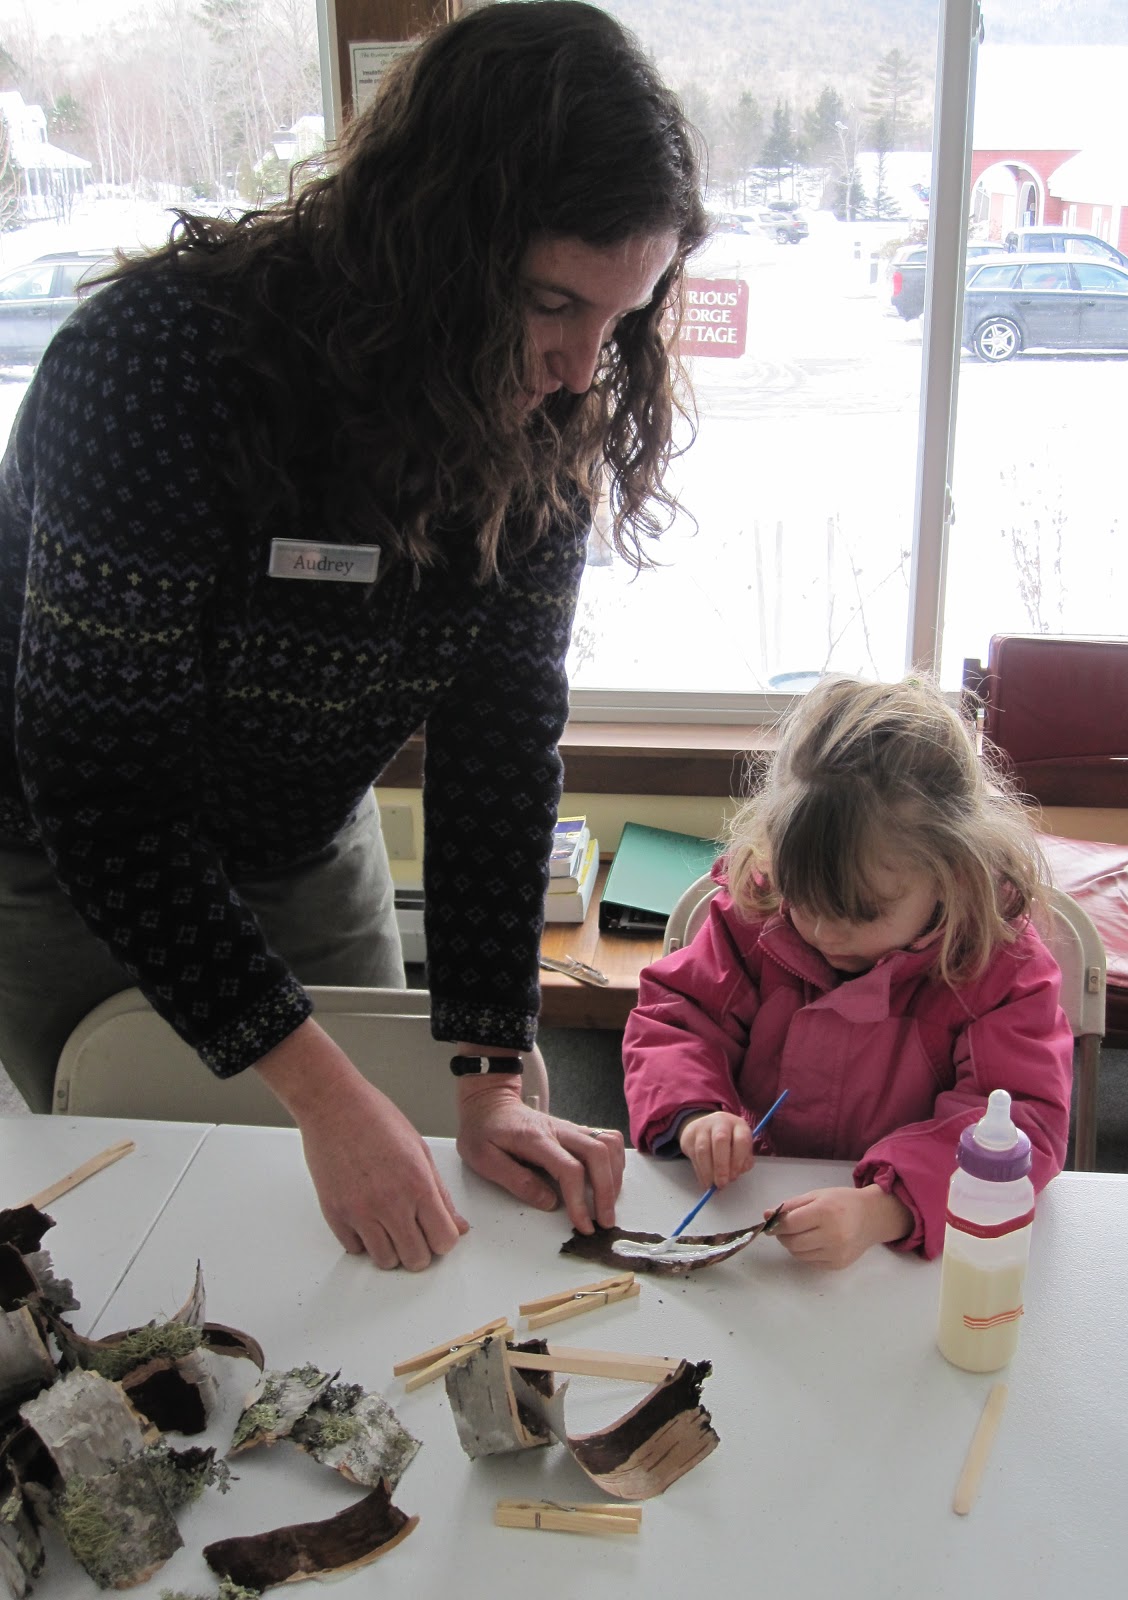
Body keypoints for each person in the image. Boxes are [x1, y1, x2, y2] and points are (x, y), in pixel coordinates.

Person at [0, 2, 709, 1270]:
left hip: (303, 836)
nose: (576, 370)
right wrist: (324, 1094)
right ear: (431, 242)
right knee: (127, 1218)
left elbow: (499, 741)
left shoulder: (546, 415)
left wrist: (492, 1068)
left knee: (374, 1213)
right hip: (57, 858)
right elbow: (101, 791)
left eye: (624, 316)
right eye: (553, 303)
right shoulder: (156, 369)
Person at [622, 675, 1074, 1268]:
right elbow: (675, 1023)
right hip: (749, 1214)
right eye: (804, 899)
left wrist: (885, 1208)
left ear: (952, 876)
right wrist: (695, 1114)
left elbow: (1020, 1124)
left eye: (861, 912)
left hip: (906, 1254)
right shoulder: (754, 920)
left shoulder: (997, 966)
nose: (824, 933)